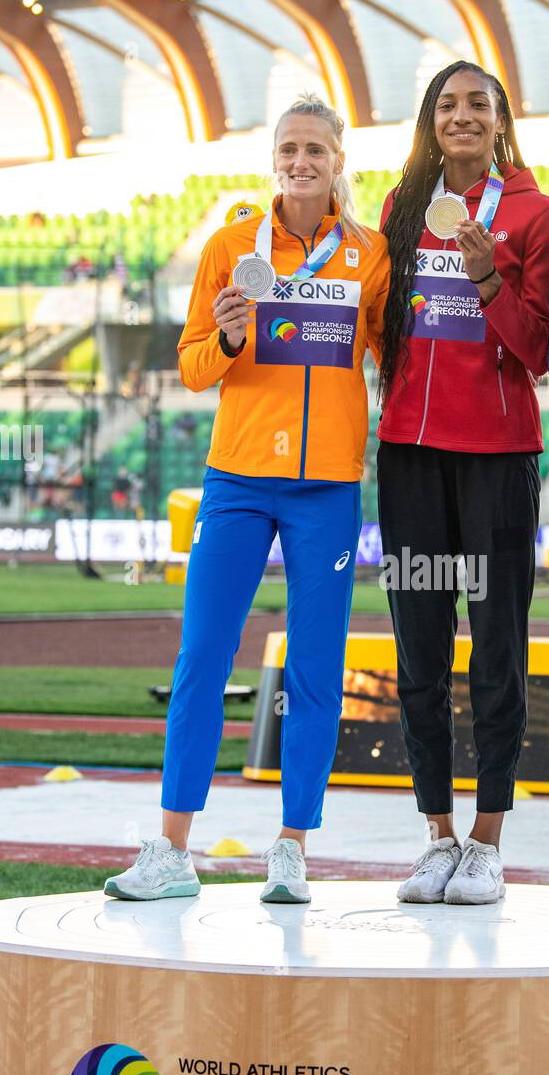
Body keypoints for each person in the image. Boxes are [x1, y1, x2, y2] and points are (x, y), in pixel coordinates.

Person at [104, 94, 390, 904]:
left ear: (339, 162)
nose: (303, 162)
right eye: (290, 149)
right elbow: (194, 365)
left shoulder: (368, 253)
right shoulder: (232, 246)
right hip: (234, 479)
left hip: (327, 486)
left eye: (317, 151)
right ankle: (171, 849)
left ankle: (293, 845)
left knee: (316, 668)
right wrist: (229, 335)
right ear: (275, 158)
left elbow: (390, 356)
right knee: (202, 655)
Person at [376, 60, 549, 906]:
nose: (462, 116)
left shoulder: (535, 212)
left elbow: (540, 354)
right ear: (432, 119)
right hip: (411, 455)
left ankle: (488, 840)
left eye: (477, 104)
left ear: (499, 119)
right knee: (419, 649)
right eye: (447, 104)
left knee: (496, 650)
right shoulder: (401, 207)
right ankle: (435, 836)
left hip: (495, 458)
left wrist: (489, 274)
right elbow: (387, 327)